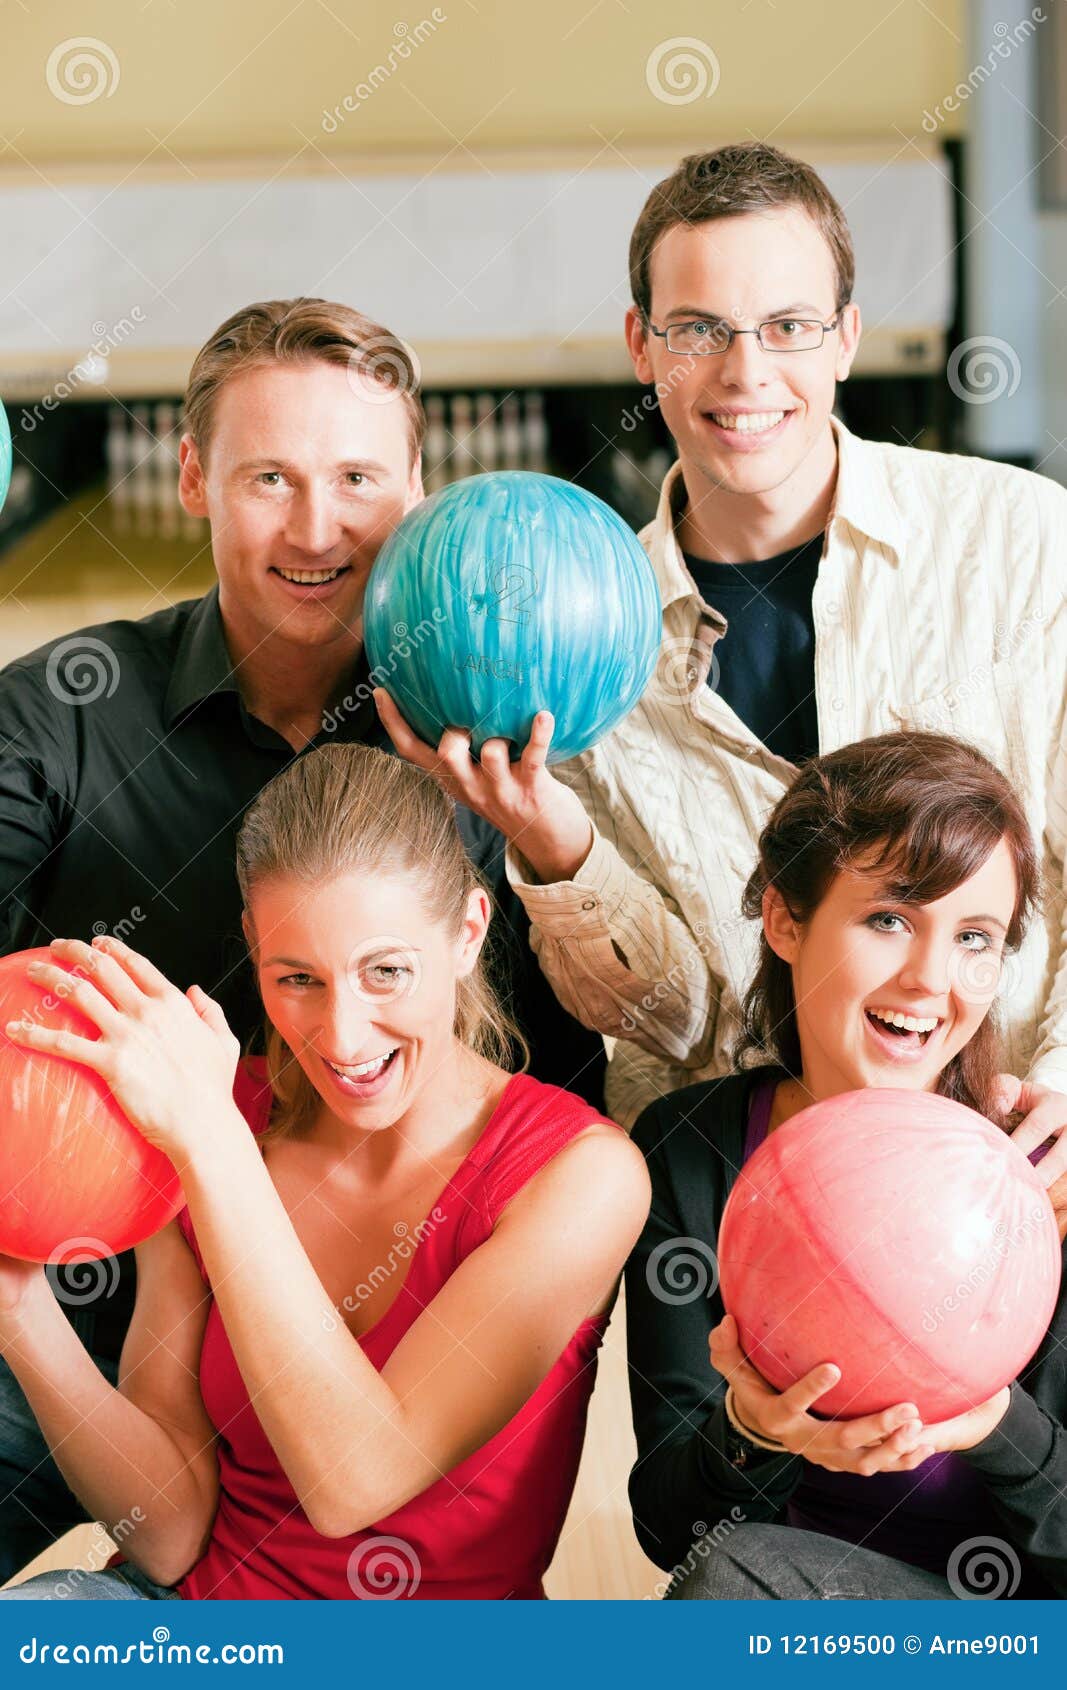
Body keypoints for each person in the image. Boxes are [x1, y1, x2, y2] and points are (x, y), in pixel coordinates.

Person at [0, 297, 604, 1587]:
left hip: (382, 1299)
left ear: (417, 486)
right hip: (82, 1270)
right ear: (189, 477)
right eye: (268, 478)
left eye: (357, 479)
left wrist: (554, 857)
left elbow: (581, 1063)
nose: (317, 528)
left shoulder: (500, 745)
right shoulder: (57, 716)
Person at [375, 139, 1067, 1179]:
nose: (745, 372)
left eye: (788, 326)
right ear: (641, 345)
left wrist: (1059, 1088)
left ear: (844, 339)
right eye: (698, 329)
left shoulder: (1021, 541)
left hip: (1014, 1166)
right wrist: (551, 840)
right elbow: (680, 1024)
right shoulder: (568, 652)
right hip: (733, 1200)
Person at [0, 743, 648, 1601]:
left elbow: (353, 1483)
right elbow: (167, 1536)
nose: (342, 1036)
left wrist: (212, 1146)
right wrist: (18, 1303)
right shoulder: (209, 1115)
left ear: (466, 933)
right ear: (253, 948)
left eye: (386, 972)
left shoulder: (583, 1176)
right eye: (298, 978)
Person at [622, 730, 1067, 1600]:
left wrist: (991, 1423)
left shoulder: (1044, 1168)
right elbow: (670, 1533)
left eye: (974, 937)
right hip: (792, 1615)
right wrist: (753, 1431)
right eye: (889, 919)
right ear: (784, 920)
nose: (929, 979)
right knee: (724, 1580)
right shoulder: (694, 1148)